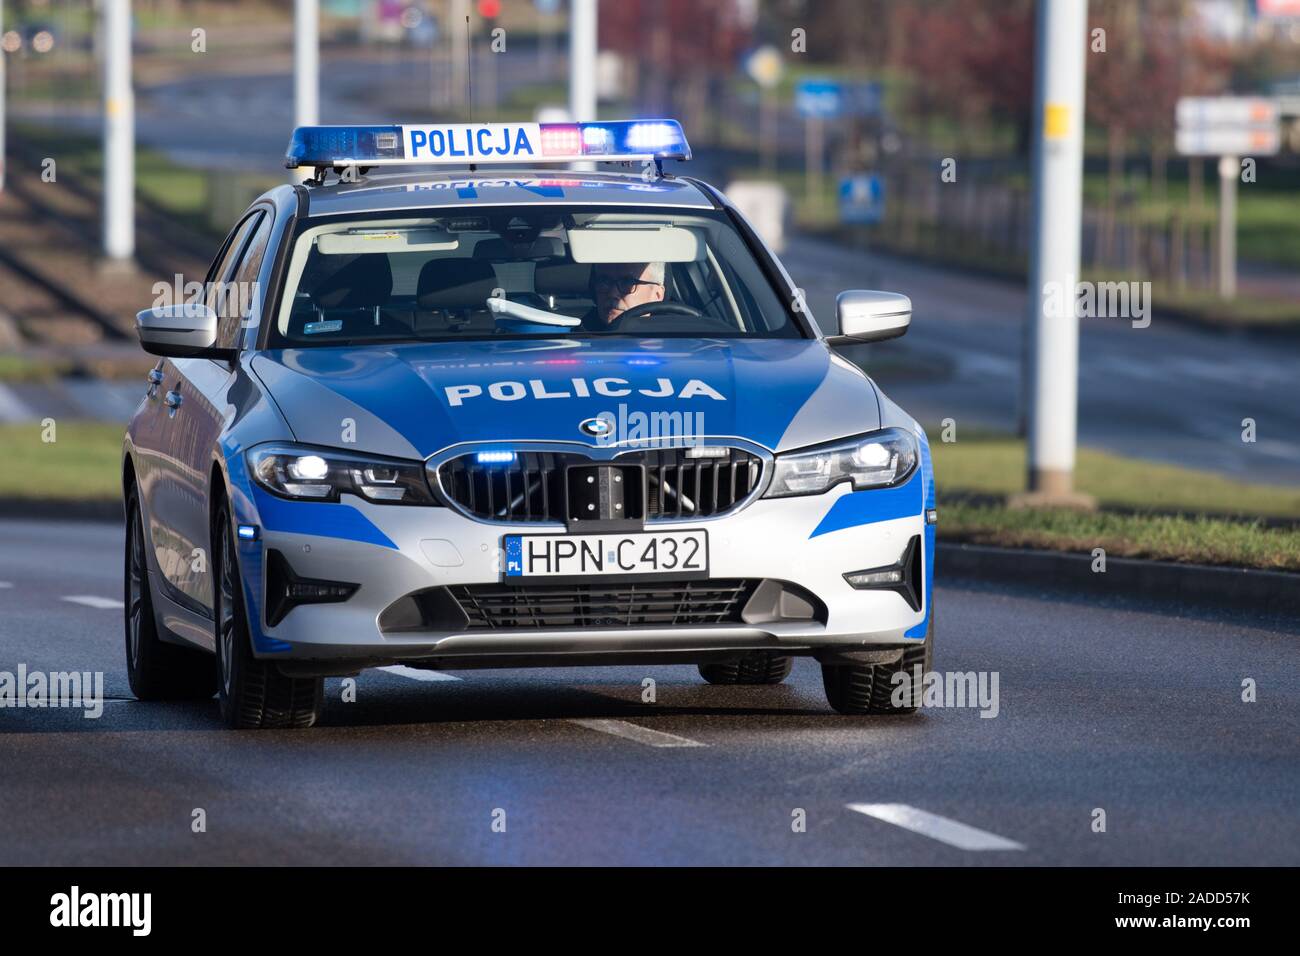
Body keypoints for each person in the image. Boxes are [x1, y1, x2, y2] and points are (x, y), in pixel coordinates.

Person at [584, 262, 666, 329]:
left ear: (657, 295)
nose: (612, 294)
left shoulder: (671, 337)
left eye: (627, 283)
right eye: (604, 281)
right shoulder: (580, 337)